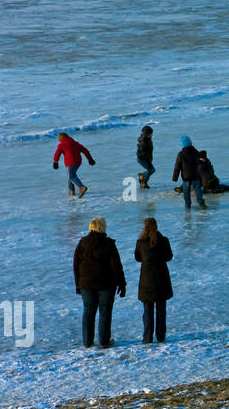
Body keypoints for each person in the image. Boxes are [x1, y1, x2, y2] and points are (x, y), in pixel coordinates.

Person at [73, 217, 126, 349]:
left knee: (88, 312)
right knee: (105, 312)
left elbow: (76, 265)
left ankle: (87, 342)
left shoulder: (82, 243)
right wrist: (122, 284)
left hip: (86, 284)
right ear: (102, 227)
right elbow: (116, 267)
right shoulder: (108, 244)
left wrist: (78, 284)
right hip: (106, 285)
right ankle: (104, 341)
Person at [134, 217, 173, 344]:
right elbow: (169, 257)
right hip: (161, 279)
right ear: (156, 226)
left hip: (146, 280)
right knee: (161, 309)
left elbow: (138, 258)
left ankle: (147, 338)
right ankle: (161, 336)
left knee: (147, 311)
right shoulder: (164, 240)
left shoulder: (140, 242)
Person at [53, 132, 96, 198]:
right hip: (78, 162)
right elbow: (85, 150)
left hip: (70, 162)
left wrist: (55, 162)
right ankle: (71, 190)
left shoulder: (61, 145)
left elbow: (57, 154)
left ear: (60, 138)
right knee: (70, 175)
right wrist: (90, 158)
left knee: (71, 177)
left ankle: (81, 187)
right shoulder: (75, 143)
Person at [172, 135, 207, 210]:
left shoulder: (181, 154)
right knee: (198, 189)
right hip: (195, 175)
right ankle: (200, 201)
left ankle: (188, 204)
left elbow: (177, 166)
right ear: (191, 142)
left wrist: (175, 177)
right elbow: (200, 162)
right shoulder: (196, 152)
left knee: (186, 191)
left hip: (186, 177)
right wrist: (202, 162)